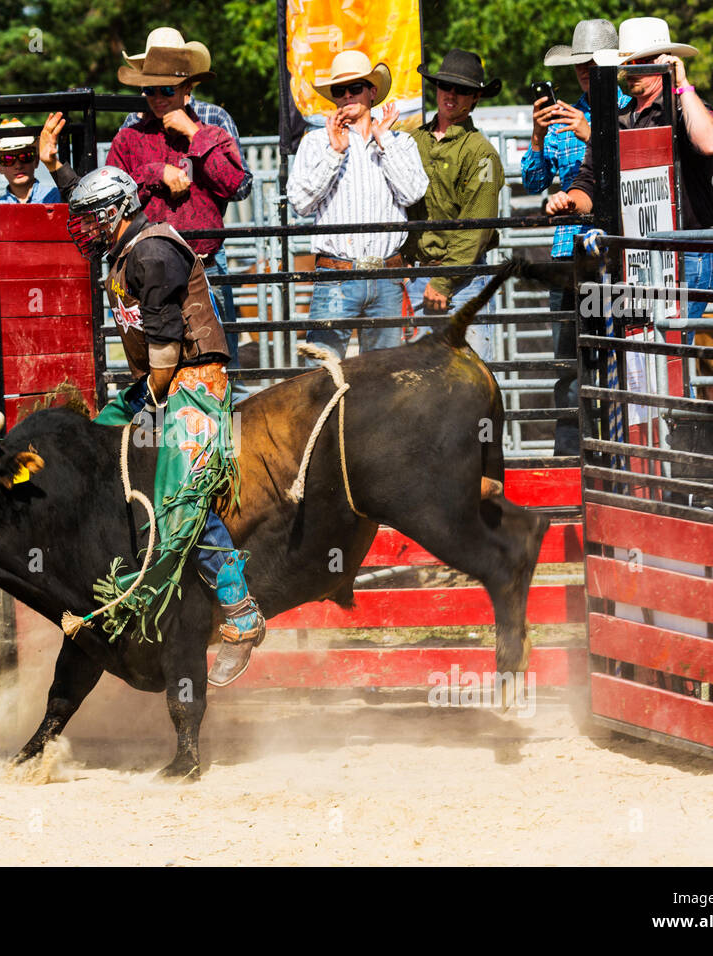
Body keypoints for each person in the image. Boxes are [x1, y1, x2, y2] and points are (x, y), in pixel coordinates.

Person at [43, 141, 265, 686]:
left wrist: (156, 409)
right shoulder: (128, 243)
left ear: (116, 214)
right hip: (156, 379)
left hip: (192, 380)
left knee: (180, 493)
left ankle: (240, 613)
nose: (85, 229)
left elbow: (166, 346)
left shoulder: (152, 254)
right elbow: (91, 193)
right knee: (93, 446)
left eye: (92, 220)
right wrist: (59, 168)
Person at [546, 16, 713, 344]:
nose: (635, 69)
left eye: (645, 61)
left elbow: (709, 143)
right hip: (637, 255)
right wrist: (571, 200)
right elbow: (589, 180)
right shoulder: (616, 122)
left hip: (685, 251)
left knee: (669, 351)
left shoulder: (686, 111)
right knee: (635, 354)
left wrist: (681, 85)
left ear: (665, 64)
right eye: (630, 62)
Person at [106, 34, 249, 392]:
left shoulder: (213, 130)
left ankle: (226, 441)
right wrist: (156, 172)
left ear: (187, 89)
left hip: (204, 261)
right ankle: (155, 439)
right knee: (153, 364)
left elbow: (234, 184)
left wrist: (194, 133)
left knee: (218, 360)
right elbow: (112, 192)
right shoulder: (129, 137)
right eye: (150, 91)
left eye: (166, 91)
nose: (157, 99)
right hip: (148, 269)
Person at [521, 19, 630, 455]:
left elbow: (640, 162)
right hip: (571, 254)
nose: (584, 71)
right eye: (579, 64)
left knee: (622, 359)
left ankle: (620, 452)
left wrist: (595, 134)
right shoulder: (561, 120)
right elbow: (533, 182)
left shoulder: (629, 110)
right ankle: (570, 455)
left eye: (592, 63)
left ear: (612, 66)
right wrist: (536, 134)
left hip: (620, 254)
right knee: (571, 364)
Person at [287, 49, 429, 359]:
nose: (348, 96)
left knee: (385, 380)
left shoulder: (399, 141)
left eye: (356, 88)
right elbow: (299, 202)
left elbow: (413, 193)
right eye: (340, 90)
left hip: (386, 275)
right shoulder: (315, 143)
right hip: (336, 275)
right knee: (323, 374)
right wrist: (334, 154)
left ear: (372, 92)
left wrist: (384, 140)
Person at [405, 49, 506, 361]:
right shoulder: (411, 142)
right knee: (413, 383)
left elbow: (476, 227)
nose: (451, 94)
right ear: (436, 88)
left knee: (469, 381)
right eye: (445, 85)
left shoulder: (480, 153)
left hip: (464, 281)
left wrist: (443, 280)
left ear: (475, 98)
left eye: (461, 90)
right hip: (417, 276)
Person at [0, 118, 60, 203]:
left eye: (25, 157)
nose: (18, 166)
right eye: (7, 159)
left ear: (36, 160)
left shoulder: (58, 198)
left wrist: (54, 164)